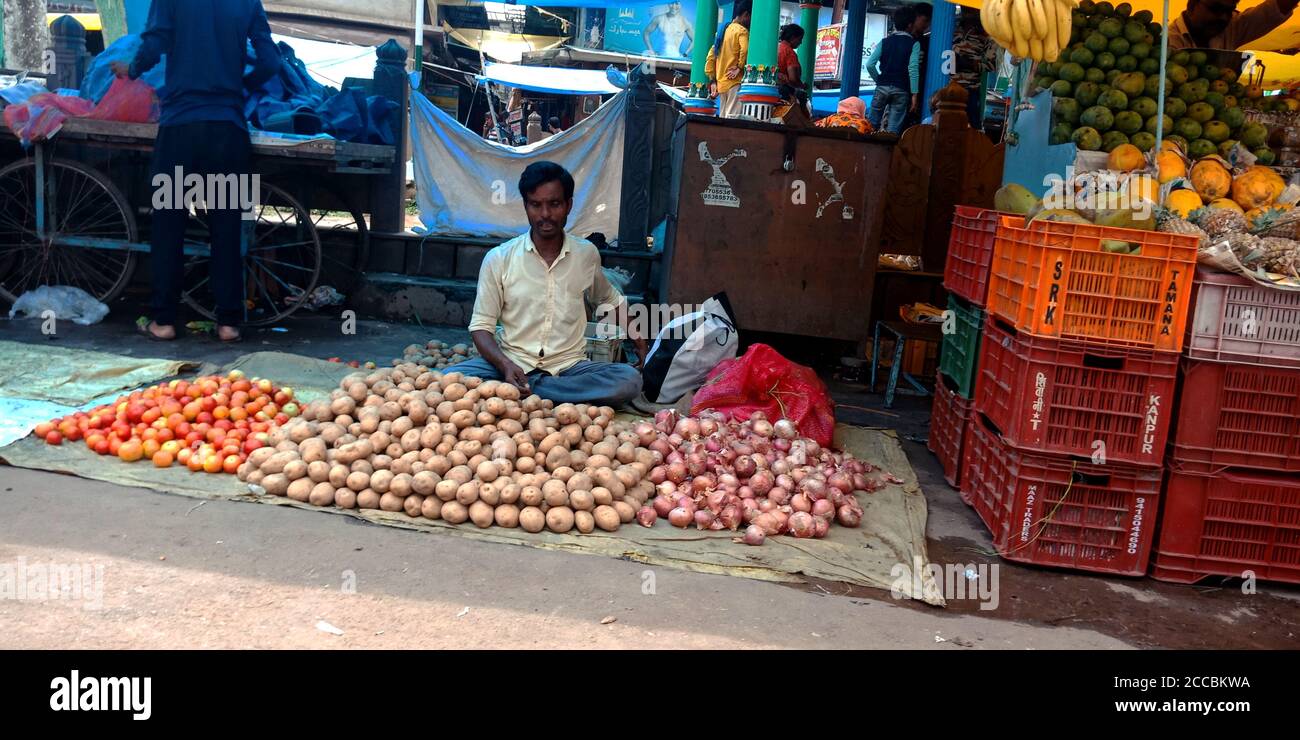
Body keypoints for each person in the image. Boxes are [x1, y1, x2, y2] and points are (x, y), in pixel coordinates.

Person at [111, 0, 281, 343]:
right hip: (227, 130)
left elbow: (155, 45)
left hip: (180, 131)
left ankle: (164, 321)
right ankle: (229, 324)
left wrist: (131, 69)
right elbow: (270, 62)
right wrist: (238, 86)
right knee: (226, 228)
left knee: (169, 225)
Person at [449, 162, 647, 406]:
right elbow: (480, 327)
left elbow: (609, 299)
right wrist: (506, 364)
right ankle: (543, 390)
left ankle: (528, 390)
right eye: (535, 204)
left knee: (628, 380)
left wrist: (638, 338)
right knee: (449, 380)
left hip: (568, 367)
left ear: (568, 205)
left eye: (554, 204)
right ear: (525, 205)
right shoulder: (499, 258)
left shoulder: (586, 255)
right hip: (512, 361)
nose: (544, 214)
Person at [866, 6, 925, 134]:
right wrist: (915, 94)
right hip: (901, 89)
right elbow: (913, 68)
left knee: (870, 126)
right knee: (892, 132)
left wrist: (880, 81)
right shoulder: (914, 44)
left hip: (882, 87)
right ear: (910, 25)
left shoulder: (884, 42)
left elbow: (870, 64)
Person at [1169, 0, 1299, 49]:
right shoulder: (1167, 42)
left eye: (1229, 11)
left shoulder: (1231, 27)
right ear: (1192, 6)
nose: (1224, 17)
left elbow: (1276, 9)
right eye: (1216, 9)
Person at [951, 11, 1000, 130]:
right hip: (948, 87)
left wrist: (968, 64)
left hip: (970, 90)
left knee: (971, 129)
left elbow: (992, 65)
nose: (967, 9)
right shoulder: (952, 27)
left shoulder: (987, 35)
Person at [705, 0, 752, 118]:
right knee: (732, 118)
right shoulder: (742, 31)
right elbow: (745, 50)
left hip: (721, 83)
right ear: (746, 14)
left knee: (723, 116)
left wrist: (712, 80)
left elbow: (711, 56)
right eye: (751, 18)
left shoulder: (722, 31)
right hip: (734, 81)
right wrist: (739, 67)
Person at [777, 24, 806, 104]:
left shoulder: (777, 48)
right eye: (800, 39)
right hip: (784, 92)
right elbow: (793, 78)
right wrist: (802, 85)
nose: (801, 42)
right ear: (793, 38)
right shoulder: (789, 52)